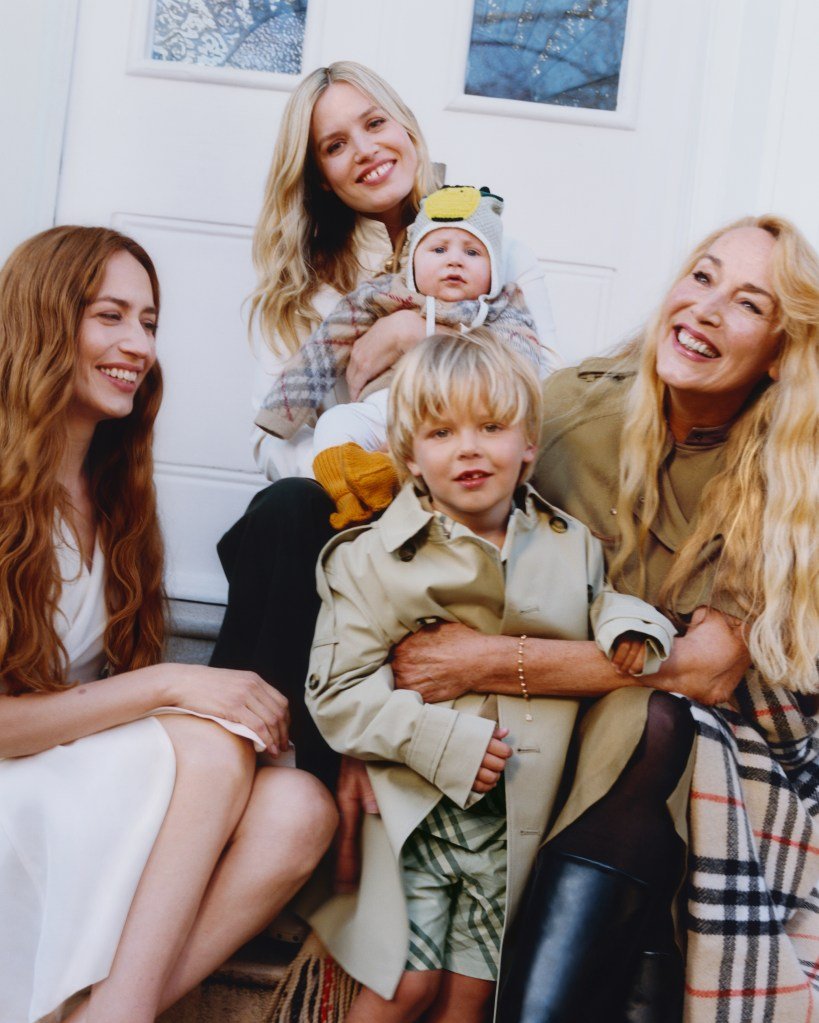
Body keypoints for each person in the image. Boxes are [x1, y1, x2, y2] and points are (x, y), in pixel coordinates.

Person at [388, 216, 819, 1022]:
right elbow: (424, 570)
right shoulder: (564, 413)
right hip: (531, 718)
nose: (704, 310)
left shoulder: (787, 478)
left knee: (650, 713)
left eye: (747, 303)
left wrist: (481, 660)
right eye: (700, 277)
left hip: (703, 735)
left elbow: (706, 670)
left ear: (780, 351)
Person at [0, 226, 337, 1023]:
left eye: (148, 322)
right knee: (210, 732)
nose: (137, 344)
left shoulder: (112, 489)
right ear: (45, 320)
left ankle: (114, 1010)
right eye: (110, 316)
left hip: (62, 769)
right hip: (15, 780)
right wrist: (174, 682)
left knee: (299, 810)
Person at [301, 333, 675, 1023]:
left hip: (509, 831)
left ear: (528, 443)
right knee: (405, 984)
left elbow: (596, 605)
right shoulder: (372, 561)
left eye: (491, 427)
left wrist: (631, 624)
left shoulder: (572, 545)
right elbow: (338, 695)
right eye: (441, 432)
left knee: (469, 997)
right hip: (415, 815)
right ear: (409, 454)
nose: (468, 448)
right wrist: (440, 741)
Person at [212, 60, 558, 801]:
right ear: (318, 176)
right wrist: (358, 462)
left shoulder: (487, 244)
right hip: (339, 513)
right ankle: (236, 764)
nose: (364, 149)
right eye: (334, 145)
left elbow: (535, 380)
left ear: (405, 127)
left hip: (452, 503)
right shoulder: (300, 290)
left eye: (374, 123)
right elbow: (269, 441)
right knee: (285, 513)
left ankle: (285, 789)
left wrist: (414, 332)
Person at [254, 184, 549, 528]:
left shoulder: (500, 307)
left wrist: (420, 333)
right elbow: (325, 346)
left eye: (473, 253)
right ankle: (353, 496)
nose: (454, 260)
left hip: (459, 418)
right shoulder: (385, 294)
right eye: (438, 249)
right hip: (387, 406)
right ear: (413, 262)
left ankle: (394, 478)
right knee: (336, 424)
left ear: (495, 270)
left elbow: (521, 362)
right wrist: (281, 410)